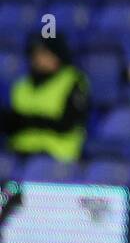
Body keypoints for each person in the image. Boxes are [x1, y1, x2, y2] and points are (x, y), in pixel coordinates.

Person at [2, 32, 90, 163]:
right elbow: (11, 124)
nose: (38, 58)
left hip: (57, 156)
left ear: (57, 54)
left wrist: (26, 121)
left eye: (44, 53)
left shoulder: (73, 80)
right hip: (19, 153)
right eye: (35, 53)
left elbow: (67, 124)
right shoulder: (21, 84)